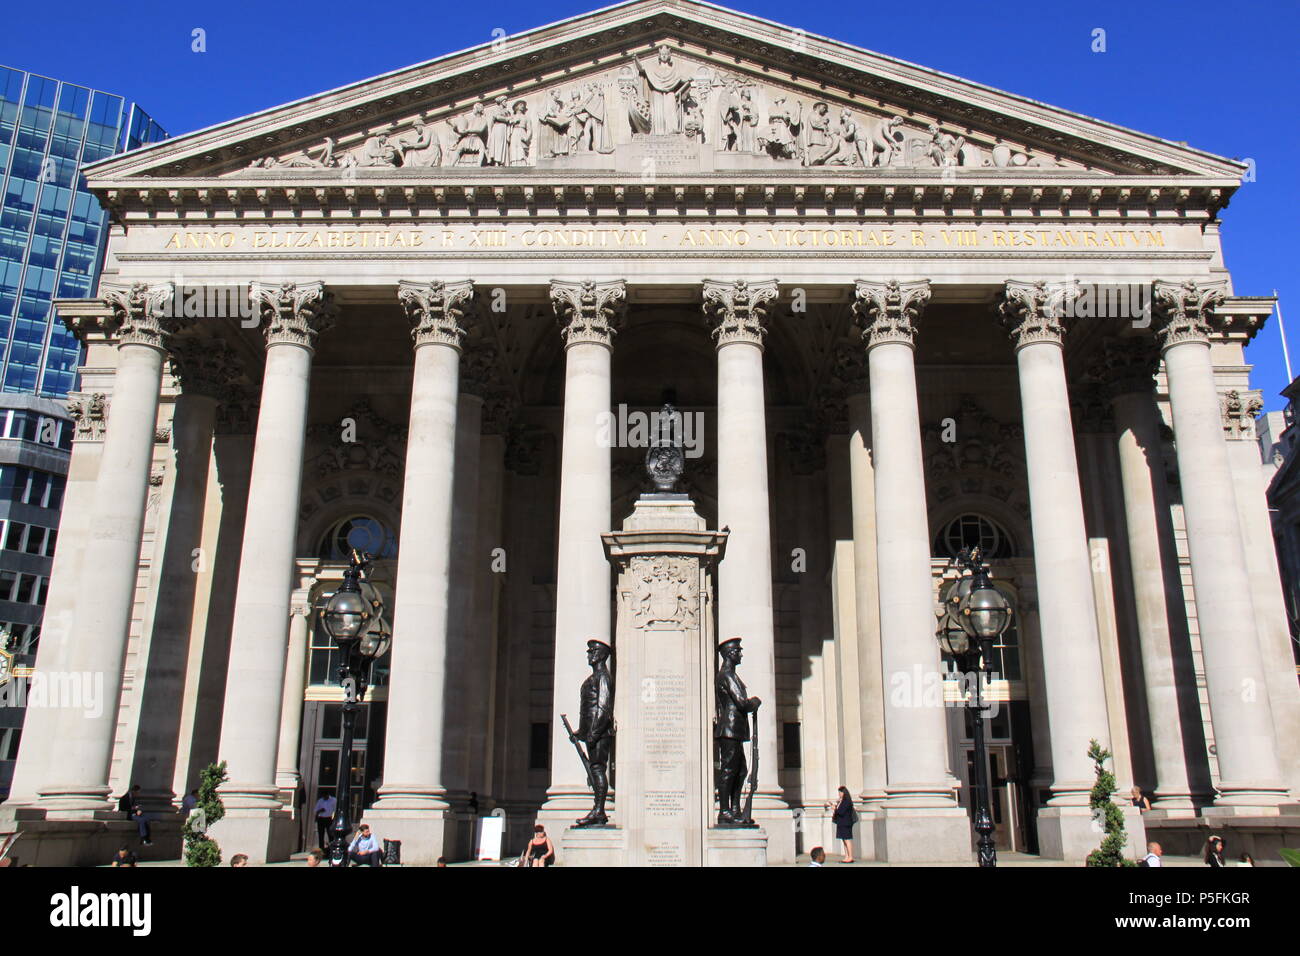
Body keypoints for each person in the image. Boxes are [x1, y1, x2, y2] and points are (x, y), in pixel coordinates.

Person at [828, 785, 856, 863]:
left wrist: (835, 808)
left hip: (846, 823)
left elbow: (841, 811)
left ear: (844, 792)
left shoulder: (846, 801)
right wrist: (836, 806)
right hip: (842, 822)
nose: (839, 794)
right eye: (839, 792)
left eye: (840, 792)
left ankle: (850, 856)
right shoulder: (842, 801)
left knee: (847, 839)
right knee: (844, 840)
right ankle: (846, 856)